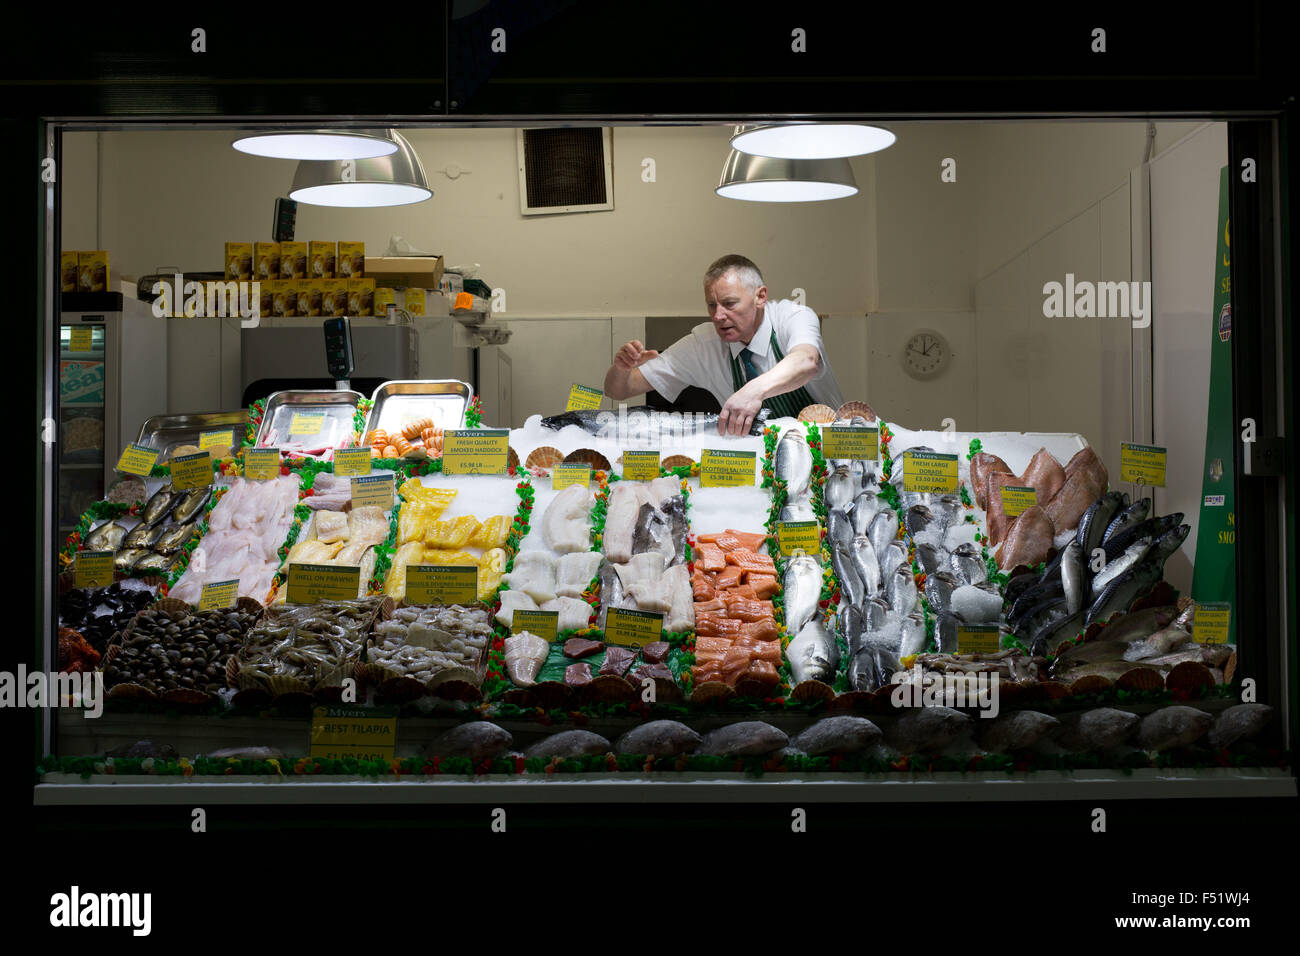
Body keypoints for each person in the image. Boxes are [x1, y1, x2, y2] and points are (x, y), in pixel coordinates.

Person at [604, 254, 846, 436]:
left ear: (760, 296)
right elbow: (618, 390)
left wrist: (752, 392)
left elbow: (806, 361)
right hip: (755, 462)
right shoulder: (703, 344)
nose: (718, 316)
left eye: (729, 304)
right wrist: (622, 368)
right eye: (712, 305)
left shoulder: (792, 316)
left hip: (826, 455)